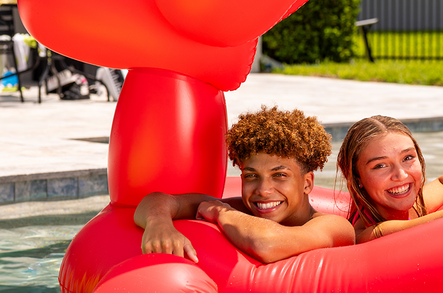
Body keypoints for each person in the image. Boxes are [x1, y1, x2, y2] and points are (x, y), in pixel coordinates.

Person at [135, 106, 354, 263]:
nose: (263, 190)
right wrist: (159, 224)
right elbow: (158, 200)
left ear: (307, 183)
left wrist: (220, 212)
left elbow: (267, 244)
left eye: (279, 175)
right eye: (251, 176)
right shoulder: (241, 209)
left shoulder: (335, 227)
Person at [337, 115, 443, 243]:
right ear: (357, 178)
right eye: (380, 166)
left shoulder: (412, 207)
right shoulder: (372, 233)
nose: (401, 175)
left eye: (407, 158)